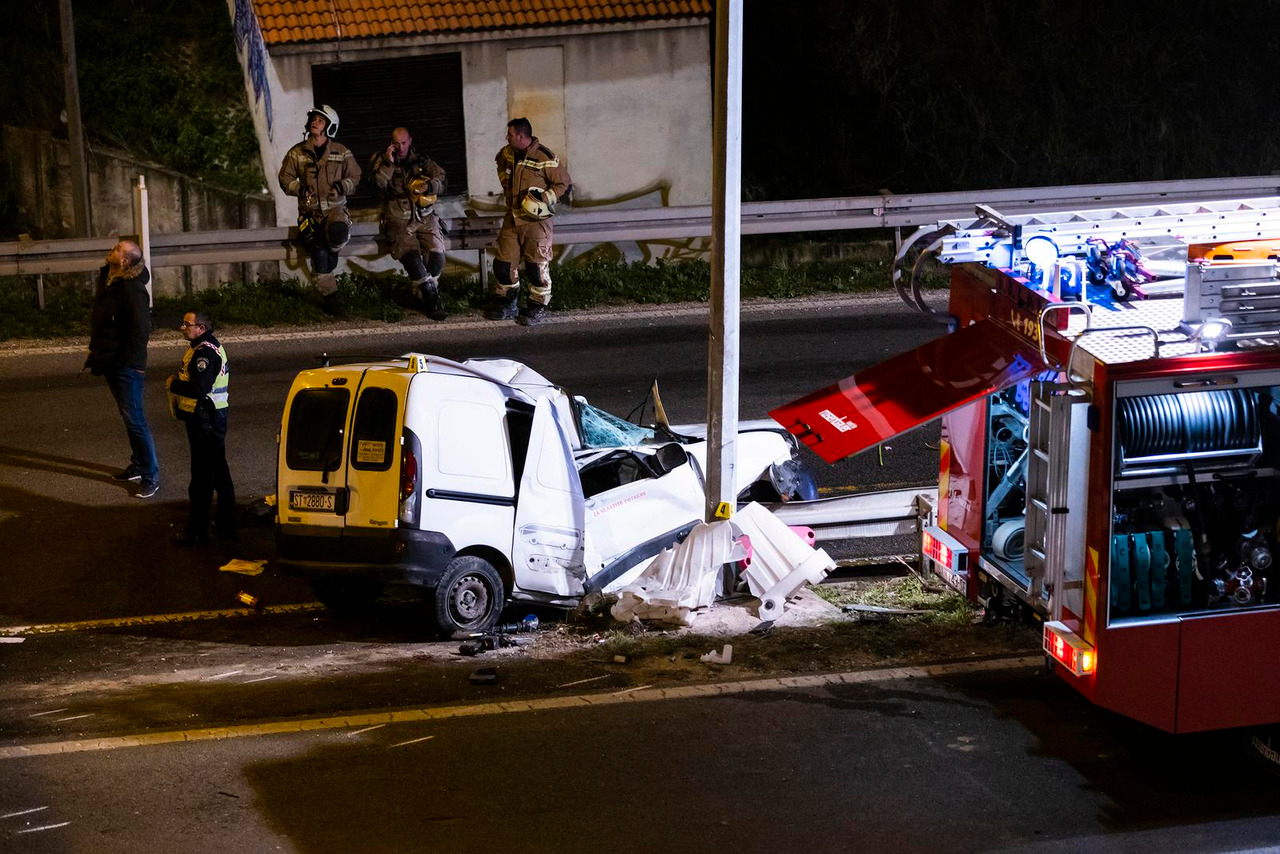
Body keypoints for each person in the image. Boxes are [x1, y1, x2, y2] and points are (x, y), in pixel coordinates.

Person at [86, 239, 160, 499]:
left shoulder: (132, 290)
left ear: (125, 261)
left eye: (118, 249)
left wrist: (128, 363)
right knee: (128, 416)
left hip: (126, 365)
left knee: (136, 420)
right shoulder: (108, 276)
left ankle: (151, 475)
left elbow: (140, 332)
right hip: (109, 359)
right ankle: (138, 464)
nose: (112, 249)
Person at [485, 117, 572, 326]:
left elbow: (564, 183)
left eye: (510, 134)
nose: (507, 138)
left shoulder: (545, 157)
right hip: (513, 218)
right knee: (503, 265)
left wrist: (544, 199)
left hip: (537, 222)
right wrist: (507, 186)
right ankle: (508, 303)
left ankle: (537, 306)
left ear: (521, 136)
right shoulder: (507, 153)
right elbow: (500, 164)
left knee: (536, 267)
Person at [278, 104, 362, 317]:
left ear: (329, 127)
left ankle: (332, 249)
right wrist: (300, 188)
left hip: (335, 210)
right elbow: (285, 178)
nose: (315, 122)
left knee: (337, 234)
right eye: (314, 119)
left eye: (320, 120)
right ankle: (332, 300)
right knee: (319, 256)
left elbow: (355, 177)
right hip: (310, 213)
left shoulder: (341, 152)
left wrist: (342, 187)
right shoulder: (297, 153)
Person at [166, 310, 236, 546]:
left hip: (205, 421)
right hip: (213, 418)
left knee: (202, 478)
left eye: (187, 324)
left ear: (201, 328)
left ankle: (196, 531)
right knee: (219, 471)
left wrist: (173, 384)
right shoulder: (206, 346)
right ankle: (227, 521)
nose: (183, 328)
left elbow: (199, 388)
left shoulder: (204, 353)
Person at [370, 126, 449, 320]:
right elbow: (375, 185)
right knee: (412, 258)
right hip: (399, 219)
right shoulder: (381, 161)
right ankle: (432, 298)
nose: (400, 147)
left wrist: (430, 185)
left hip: (425, 217)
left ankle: (421, 291)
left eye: (404, 143)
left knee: (437, 257)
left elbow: (443, 179)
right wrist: (388, 164)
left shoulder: (422, 161)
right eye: (396, 144)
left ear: (410, 141)